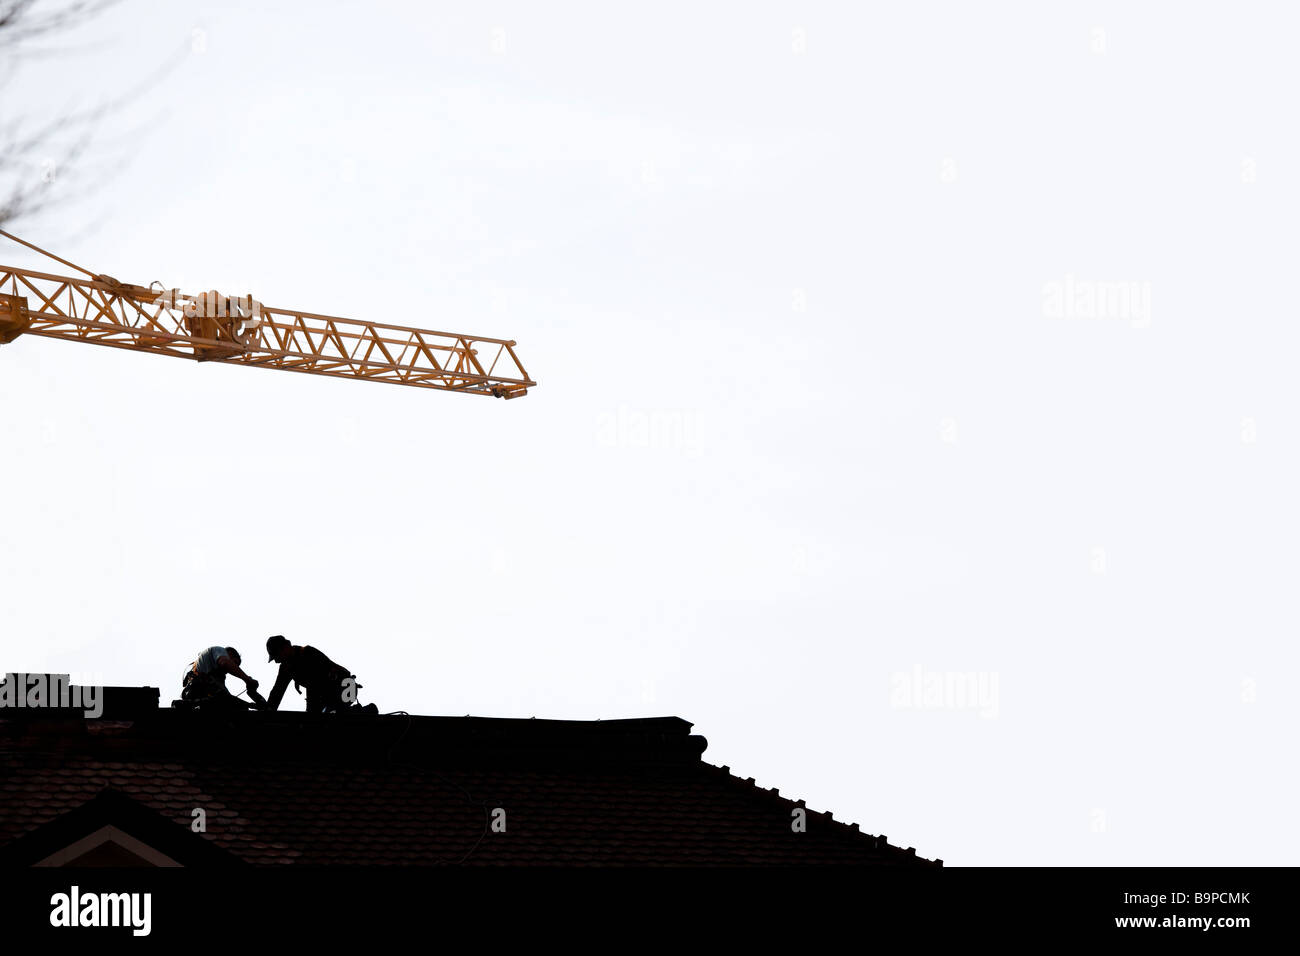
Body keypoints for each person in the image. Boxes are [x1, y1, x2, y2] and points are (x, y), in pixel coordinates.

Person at [264, 635, 359, 714]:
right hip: (330, 695)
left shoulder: (308, 654)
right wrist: (268, 711)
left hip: (348, 688)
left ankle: (362, 712)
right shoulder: (286, 667)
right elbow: (277, 691)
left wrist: (310, 714)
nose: (276, 661)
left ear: (285, 648)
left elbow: (314, 684)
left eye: (277, 655)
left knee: (330, 716)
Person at [181, 646, 260, 710]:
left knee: (238, 708)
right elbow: (225, 662)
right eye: (235, 663)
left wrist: (250, 705)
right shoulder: (218, 650)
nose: (233, 668)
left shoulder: (216, 677)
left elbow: (227, 698)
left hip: (200, 699)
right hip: (198, 695)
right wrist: (247, 680)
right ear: (228, 654)